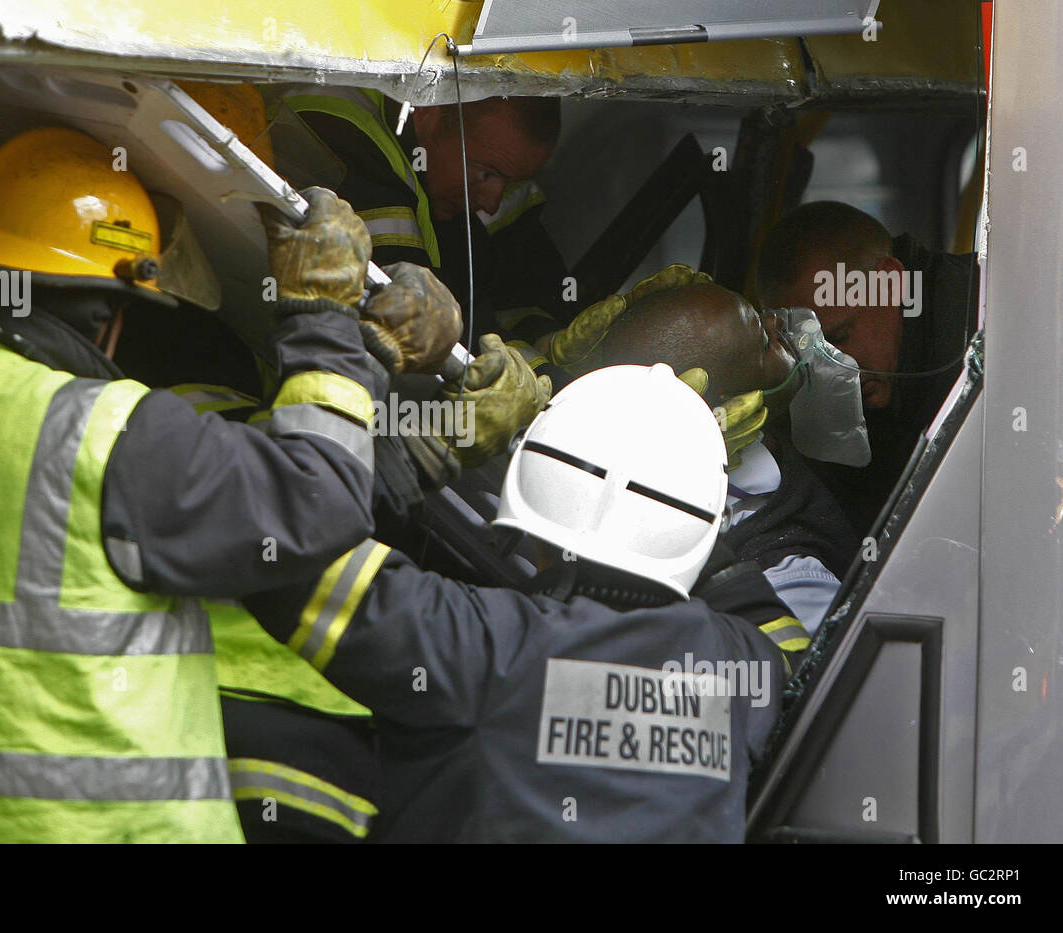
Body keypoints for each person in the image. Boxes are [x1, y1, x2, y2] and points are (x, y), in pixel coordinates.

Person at [0, 126, 459, 843]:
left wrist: (378, 368)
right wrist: (326, 322)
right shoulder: (106, 434)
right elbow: (315, 504)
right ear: (103, 313)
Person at [243, 364, 809, 842]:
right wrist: (678, 492)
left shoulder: (481, 646)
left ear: (523, 510)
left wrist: (428, 444)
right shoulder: (743, 671)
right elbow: (799, 661)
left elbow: (275, 545)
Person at [576, 280, 861, 633]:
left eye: (761, 315)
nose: (777, 324)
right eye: (764, 342)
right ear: (731, 403)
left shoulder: (770, 446)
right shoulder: (788, 579)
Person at [266, 87, 571, 348]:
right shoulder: (344, 134)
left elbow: (528, 285)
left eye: (511, 182)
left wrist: (551, 345)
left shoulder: (445, 172)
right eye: (486, 172)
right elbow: (411, 308)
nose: (492, 203)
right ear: (429, 113)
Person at [755, 201, 980, 534]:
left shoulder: (987, 319)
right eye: (811, 352)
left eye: (841, 336)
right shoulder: (808, 385)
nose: (835, 366)